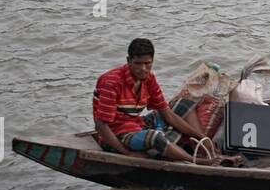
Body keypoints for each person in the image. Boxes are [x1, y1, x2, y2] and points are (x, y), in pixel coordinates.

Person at [92, 38, 235, 165]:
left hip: (136, 125)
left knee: (183, 104)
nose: (143, 69)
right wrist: (127, 153)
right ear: (129, 61)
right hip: (115, 135)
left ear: (152, 61)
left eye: (147, 63)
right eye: (138, 63)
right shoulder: (111, 82)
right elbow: (101, 126)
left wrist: (202, 138)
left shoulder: (149, 79)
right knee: (155, 137)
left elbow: (167, 114)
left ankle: (202, 150)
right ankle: (197, 161)